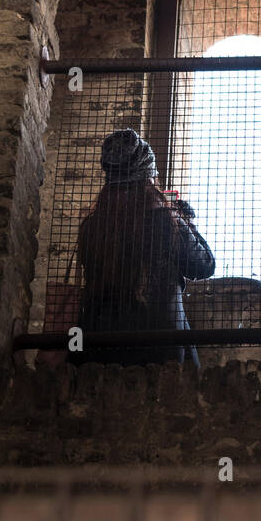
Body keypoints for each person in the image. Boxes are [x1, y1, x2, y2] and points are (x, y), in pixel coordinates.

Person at [70, 128, 215, 366]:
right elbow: (204, 266)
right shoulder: (165, 221)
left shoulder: (92, 227)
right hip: (159, 349)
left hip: (99, 349)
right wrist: (183, 220)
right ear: (149, 177)